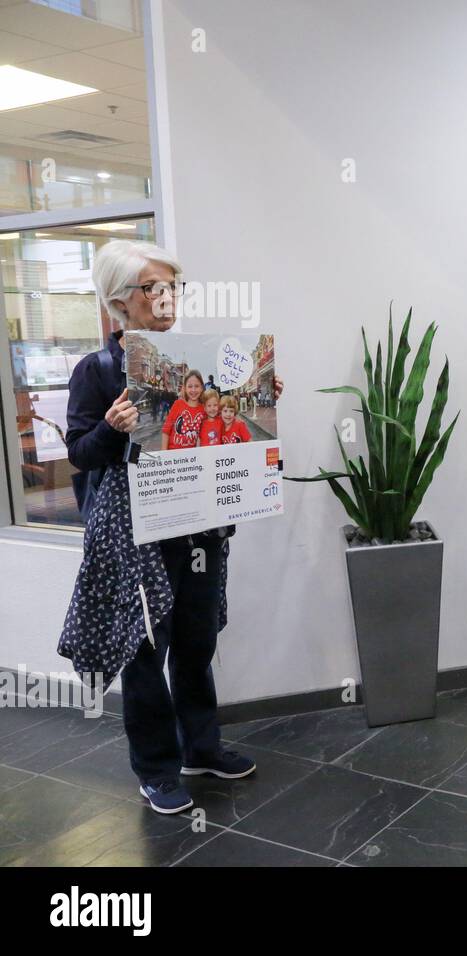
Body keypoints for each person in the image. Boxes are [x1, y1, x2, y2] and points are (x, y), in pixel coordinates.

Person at [60, 239, 284, 815]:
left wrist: (255, 400)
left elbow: (216, 426)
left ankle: (201, 748)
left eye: (172, 288)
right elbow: (82, 455)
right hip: (139, 536)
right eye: (152, 289)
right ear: (119, 302)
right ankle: (157, 769)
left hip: (201, 525)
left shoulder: (198, 360)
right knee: (145, 651)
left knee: (197, 641)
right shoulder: (99, 369)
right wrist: (112, 427)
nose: (166, 299)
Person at [161, 370, 205, 450]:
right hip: (173, 454)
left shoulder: (203, 409)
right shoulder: (178, 404)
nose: (193, 390)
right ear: (184, 388)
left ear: (202, 387)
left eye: (197, 386)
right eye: (190, 386)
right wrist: (164, 454)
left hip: (191, 457)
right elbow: (166, 430)